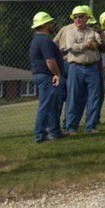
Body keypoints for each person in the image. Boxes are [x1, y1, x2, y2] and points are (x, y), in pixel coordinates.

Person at [55, 4, 103, 134]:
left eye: (81, 17)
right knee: (73, 98)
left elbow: (100, 43)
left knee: (94, 97)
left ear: (86, 18)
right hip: (75, 67)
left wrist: (98, 40)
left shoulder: (91, 31)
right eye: (75, 17)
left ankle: (90, 126)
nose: (78, 19)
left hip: (92, 67)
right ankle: (71, 127)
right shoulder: (71, 32)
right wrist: (87, 44)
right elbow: (73, 47)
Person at [29, 11, 64, 143]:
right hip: (45, 77)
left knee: (49, 105)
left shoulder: (37, 40)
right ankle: (40, 136)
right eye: (49, 22)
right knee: (45, 106)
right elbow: (50, 61)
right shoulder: (44, 40)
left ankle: (53, 132)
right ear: (44, 25)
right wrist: (57, 74)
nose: (51, 24)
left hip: (41, 76)